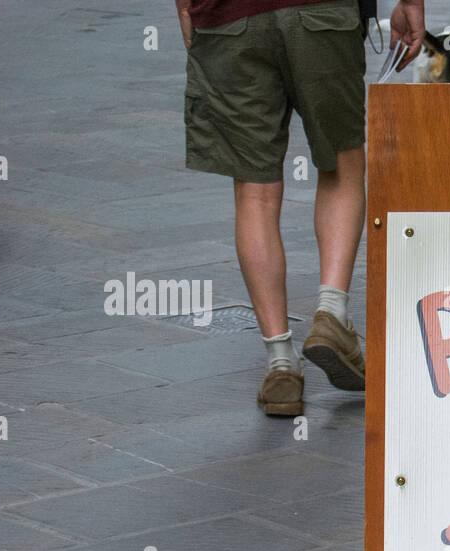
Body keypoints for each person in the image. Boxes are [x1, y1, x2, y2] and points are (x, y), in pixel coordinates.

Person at [175, 0, 424, 415]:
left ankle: (281, 366)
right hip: (320, 13)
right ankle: (331, 313)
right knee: (342, 164)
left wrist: (187, 7)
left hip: (227, 18)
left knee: (255, 190)